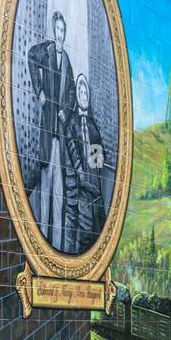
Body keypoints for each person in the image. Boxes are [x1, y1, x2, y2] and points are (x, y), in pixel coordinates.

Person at [25, 11, 77, 249]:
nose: (60, 34)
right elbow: (30, 57)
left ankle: (56, 245)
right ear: (53, 31)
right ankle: (44, 241)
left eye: (63, 30)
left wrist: (65, 111)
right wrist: (40, 91)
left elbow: (72, 93)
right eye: (57, 29)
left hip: (61, 136)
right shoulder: (44, 51)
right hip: (48, 132)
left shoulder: (66, 59)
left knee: (59, 192)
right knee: (45, 191)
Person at [63, 73, 106, 254]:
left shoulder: (92, 126)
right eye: (80, 93)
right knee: (82, 226)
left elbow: (98, 158)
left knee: (96, 225)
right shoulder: (71, 123)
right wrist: (81, 172)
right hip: (78, 186)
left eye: (86, 93)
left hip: (92, 184)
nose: (83, 96)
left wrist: (97, 162)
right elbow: (71, 150)